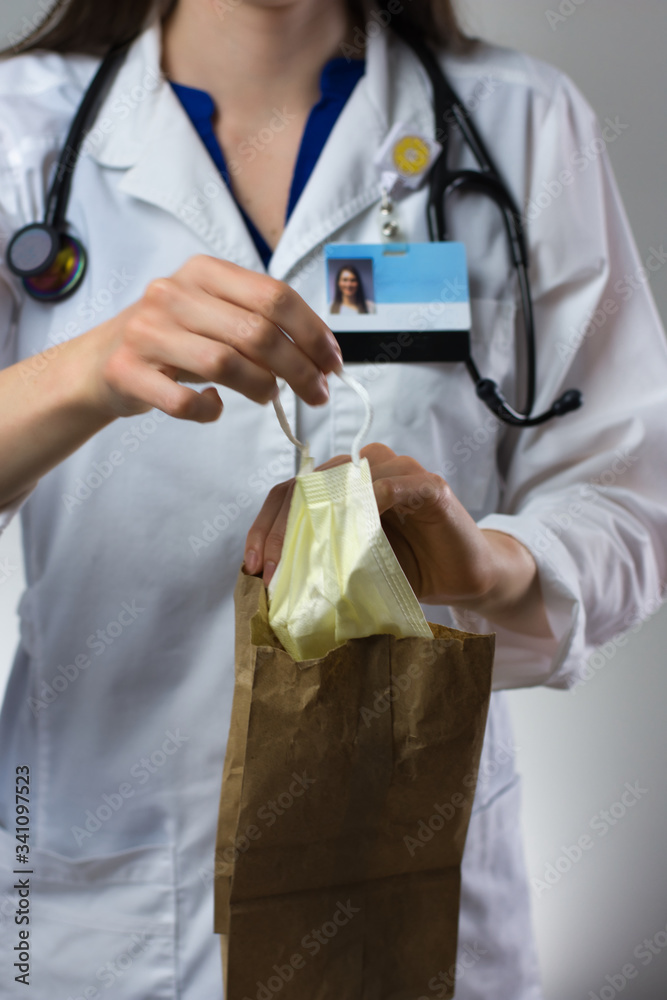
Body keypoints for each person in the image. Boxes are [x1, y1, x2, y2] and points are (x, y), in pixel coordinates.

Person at [0, 1, 666, 997]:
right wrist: (88, 369)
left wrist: (489, 563)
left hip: (406, 879)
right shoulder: (19, 127)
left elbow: (626, 492)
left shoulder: (523, 120)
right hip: (96, 905)